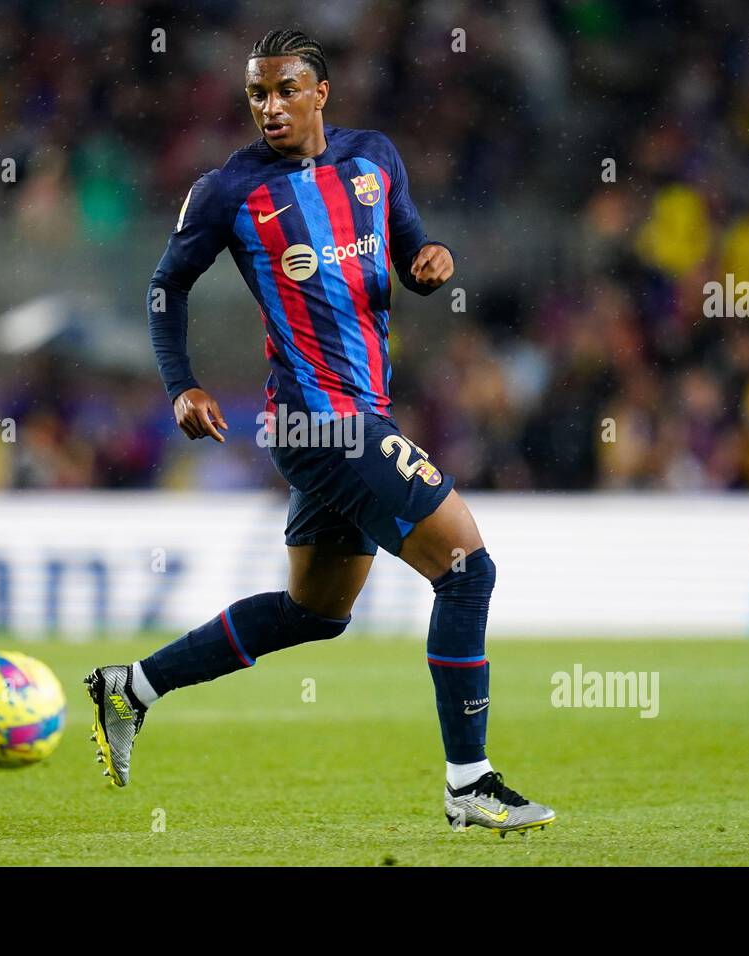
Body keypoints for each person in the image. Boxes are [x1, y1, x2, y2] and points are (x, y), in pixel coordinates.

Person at [85, 29, 554, 836]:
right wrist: (182, 386)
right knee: (467, 568)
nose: (270, 107)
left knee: (316, 611)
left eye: (286, 91)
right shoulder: (229, 191)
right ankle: (468, 784)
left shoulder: (374, 161)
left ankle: (130, 688)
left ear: (321, 93)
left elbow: (411, 250)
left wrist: (432, 263)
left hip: (360, 412)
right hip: (316, 421)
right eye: (257, 95)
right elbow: (166, 290)